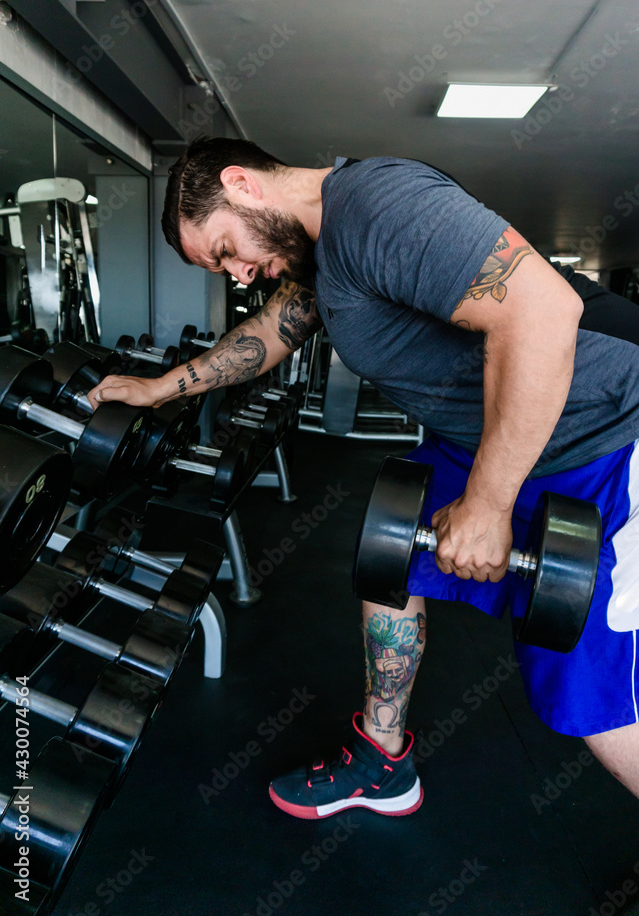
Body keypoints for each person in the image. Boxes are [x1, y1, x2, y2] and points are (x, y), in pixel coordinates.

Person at [88, 136, 639, 819]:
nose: (236, 275)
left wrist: (488, 505)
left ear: (241, 184)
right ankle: (383, 761)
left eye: (224, 250)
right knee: (390, 551)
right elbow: (267, 335)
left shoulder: (379, 205)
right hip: (502, 436)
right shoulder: (323, 257)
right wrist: (159, 389)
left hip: (607, 434)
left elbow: (542, 310)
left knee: (597, 695)